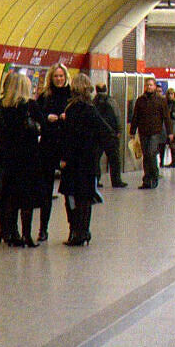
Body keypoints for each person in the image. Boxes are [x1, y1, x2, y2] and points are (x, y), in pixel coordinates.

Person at [58, 74, 119, 245]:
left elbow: (68, 137)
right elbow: (106, 131)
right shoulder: (91, 109)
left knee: (71, 198)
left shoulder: (71, 110)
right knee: (85, 198)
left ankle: (74, 230)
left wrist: (64, 157)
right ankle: (83, 231)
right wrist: (96, 147)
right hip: (87, 161)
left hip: (72, 161)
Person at [0, 70, 45, 247]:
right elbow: (42, 125)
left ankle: (12, 233)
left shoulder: (0, 106)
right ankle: (27, 235)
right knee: (27, 199)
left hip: (6, 158)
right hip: (27, 158)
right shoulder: (30, 105)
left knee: (10, 198)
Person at [33, 63, 73, 241]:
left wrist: (67, 118)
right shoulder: (45, 96)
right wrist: (46, 117)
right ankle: (43, 229)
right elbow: (36, 115)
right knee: (45, 189)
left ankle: (73, 227)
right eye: (56, 76)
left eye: (61, 76)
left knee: (69, 188)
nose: (59, 79)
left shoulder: (72, 96)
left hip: (66, 145)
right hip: (48, 146)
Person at [128, 77, 170, 189]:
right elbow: (135, 116)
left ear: (155, 86)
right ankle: (147, 179)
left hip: (155, 132)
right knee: (146, 155)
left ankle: (154, 176)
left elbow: (166, 117)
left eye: (151, 85)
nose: (149, 87)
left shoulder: (161, 101)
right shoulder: (140, 100)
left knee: (151, 154)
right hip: (143, 131)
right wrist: (132, 130)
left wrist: (169, 132)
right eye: (147, 85)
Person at [92, 84, 128, 188]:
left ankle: (95, 180)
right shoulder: (111, 101)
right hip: (110, 134)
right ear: (106, 90)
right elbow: (117, 115)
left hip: (97, 135)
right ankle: (116, 181)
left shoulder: (93, 101)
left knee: (95, 159)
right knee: (114, 159)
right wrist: (119, 130)